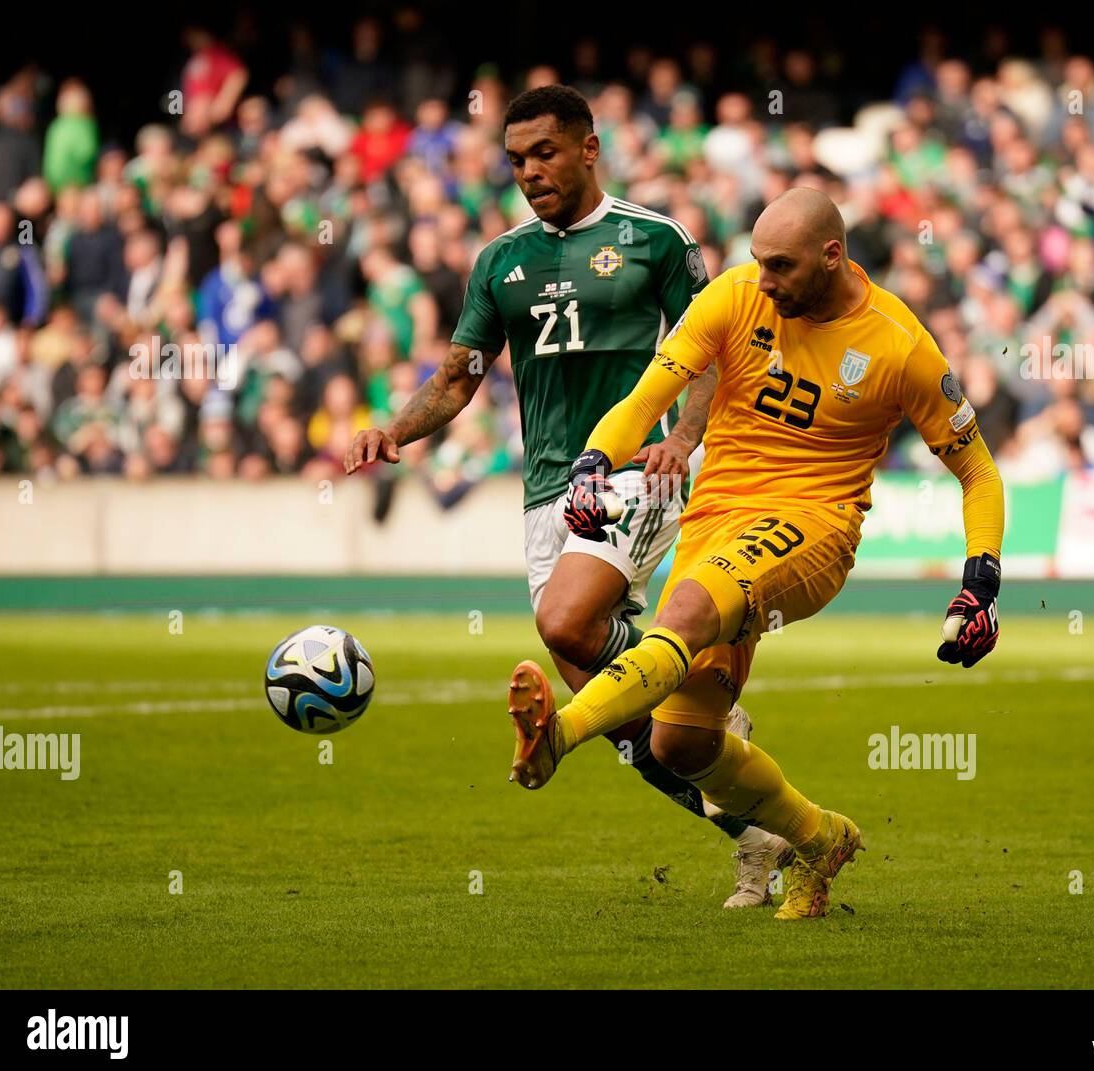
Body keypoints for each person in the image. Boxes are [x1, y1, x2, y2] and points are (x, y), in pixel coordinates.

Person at [506, 187, 1006, 919]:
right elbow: (649, 398)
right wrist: (592, 463)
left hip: (814, 526)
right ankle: (819, 837)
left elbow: (978, 470)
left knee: (683, 608)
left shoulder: (899, 345)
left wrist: (980, 583)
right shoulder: (735, 297)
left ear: (832, 256)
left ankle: (561, 736)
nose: (763, 279)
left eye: (780, 266)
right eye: (757, 261)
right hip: (716, 521)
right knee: (682, 744)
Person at [346, 85, 785, 907]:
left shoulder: (654, 241)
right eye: (515, 160)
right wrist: (394, 432)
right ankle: (752, 832)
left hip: (629, 471)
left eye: (544, 152)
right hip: (546, 491)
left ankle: (683, 671)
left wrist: (682, 439)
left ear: (588, 147)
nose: (529, 172)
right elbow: (458, 378)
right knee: (629, 723)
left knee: (565, 623)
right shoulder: (499, 261)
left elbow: (714, 355)